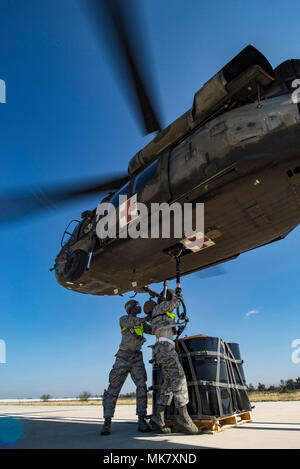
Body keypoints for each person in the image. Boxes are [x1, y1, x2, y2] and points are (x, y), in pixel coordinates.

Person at [149, 290, 198, 434]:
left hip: (163, 348)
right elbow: (174, 304)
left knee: (169, 384)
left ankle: (158, 418)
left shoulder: (161, 313)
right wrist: (178, 298)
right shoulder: (161, 307)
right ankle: (183, 418)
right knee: (179, 378)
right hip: (165, 348)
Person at [101, 299, 152, 435]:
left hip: (137, 358)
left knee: (142, 387)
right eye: (137, 305)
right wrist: (146, 318)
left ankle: (142, 420)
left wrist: (159, 319)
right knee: (114, 388)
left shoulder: (142, 323)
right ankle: (107, 422)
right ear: (131, 309)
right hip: (123, 357)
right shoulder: (124, 319)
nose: (140, 306)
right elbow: (134, 322)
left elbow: (152, 330)